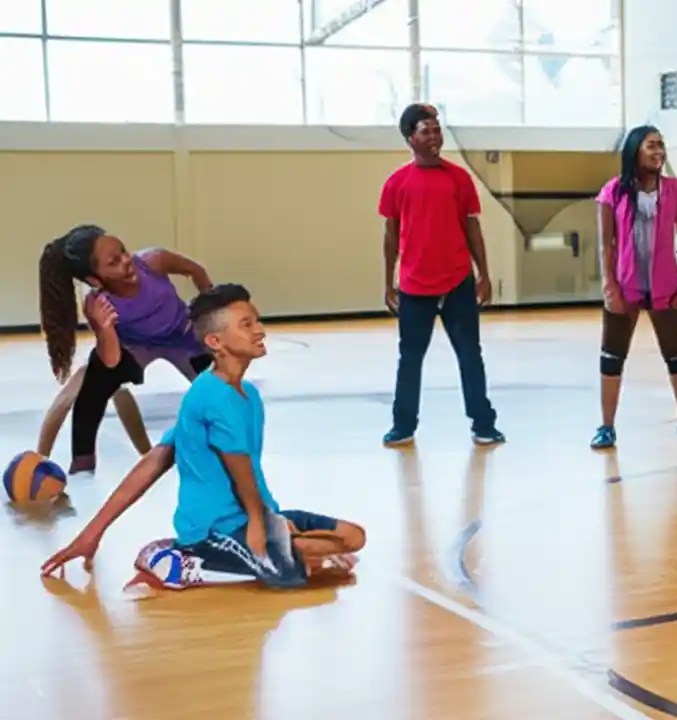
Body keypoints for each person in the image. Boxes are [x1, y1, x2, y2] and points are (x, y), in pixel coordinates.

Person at [41, 284, 366, 588]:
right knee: (306, 572)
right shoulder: (212, 397)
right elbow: (237, 472)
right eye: (247, 324)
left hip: (258, 516)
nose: (260, 330)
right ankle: (179, 561)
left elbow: (158, 458)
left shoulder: (246, 394)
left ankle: (287, 551)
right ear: (215, 342)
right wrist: (261, 526)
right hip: (215, 530)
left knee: (354, 537)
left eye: (257, 321)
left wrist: (276, 525)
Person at [37, 224, 214, 473]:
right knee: (94, 387)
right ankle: (82, 464)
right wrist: (105, 329)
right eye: (114, 262)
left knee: (220, 387)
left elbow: (196, 270)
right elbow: (111, 361)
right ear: (95, 279)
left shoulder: (154, 261)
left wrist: (210, 315)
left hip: (182, 336)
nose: (126, 261)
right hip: (136, 345)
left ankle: (225, 447)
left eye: (123, 251)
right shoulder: (98, 304)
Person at [380, 103, 504, 447]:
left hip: (457, 283)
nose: (434, 136)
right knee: (410, 359)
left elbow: (472, 227)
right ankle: (403, 425)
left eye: (437, 130)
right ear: (411, 138)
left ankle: (483, 423)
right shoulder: (397, 183)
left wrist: (484, 274)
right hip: (414, 287)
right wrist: (388, 283)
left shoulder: (459, 178)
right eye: (426, 131)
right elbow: (391, 236)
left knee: (470, 355)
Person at [591, 125, 677, 450]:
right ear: (634, 149)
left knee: (676, 355)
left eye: (661, 145)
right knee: (612, 357)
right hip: (625, 286)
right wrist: (609, 285)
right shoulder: (612, 191)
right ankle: (606, 426)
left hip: (666, 287)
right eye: (651, 145)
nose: (658, 151)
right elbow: (605, 244)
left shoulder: (676, 190)